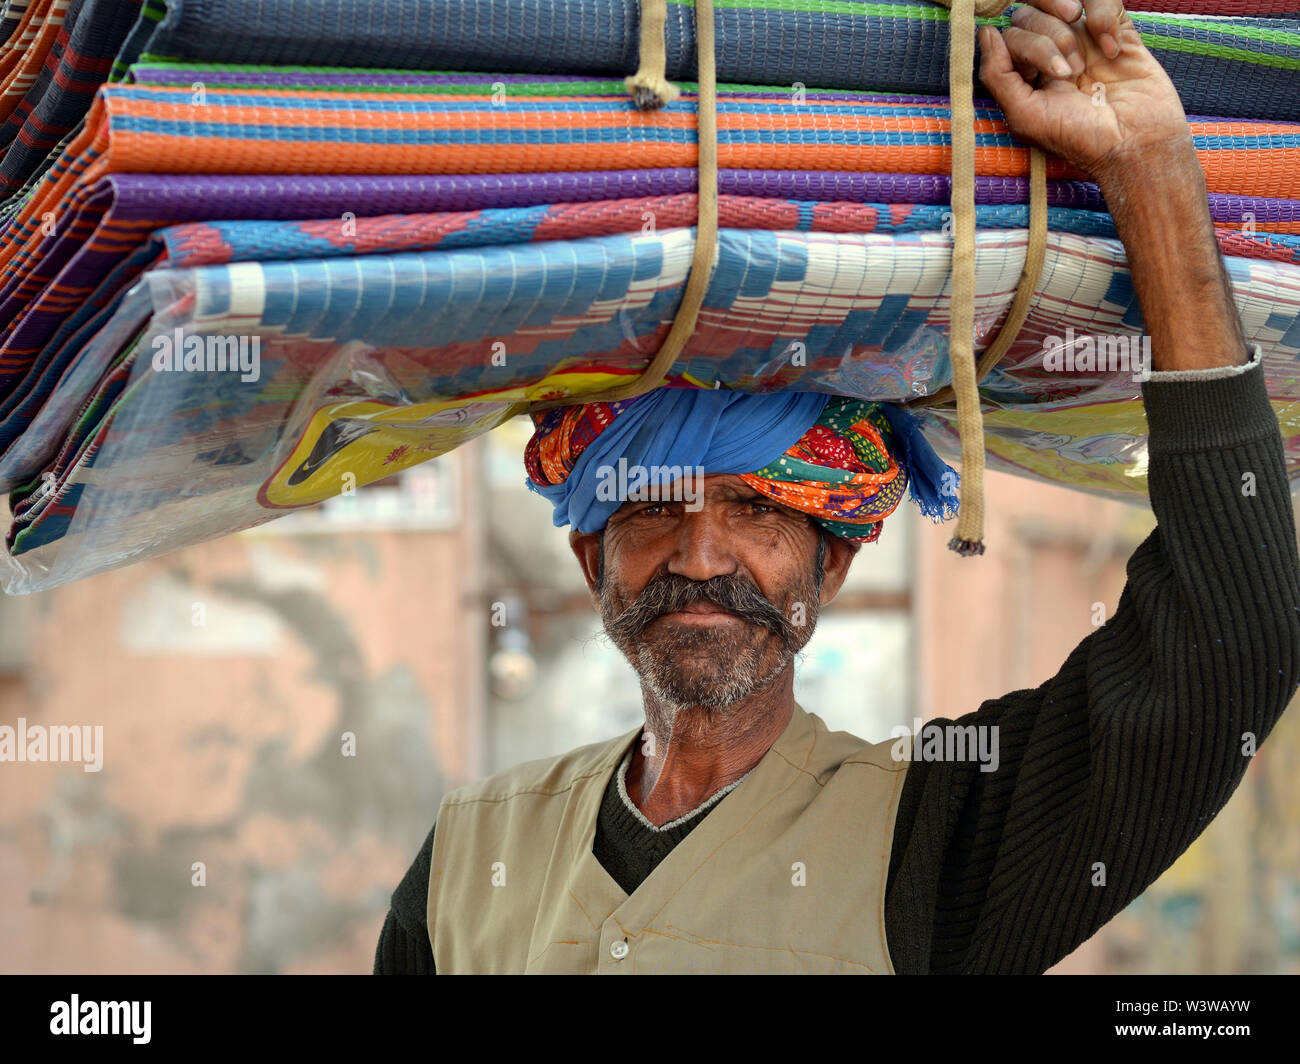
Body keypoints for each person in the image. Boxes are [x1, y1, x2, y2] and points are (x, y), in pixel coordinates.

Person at [375, 0, 1300, 973]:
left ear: (836, 559)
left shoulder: (937, 835)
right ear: (588, 556)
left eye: (758, 507)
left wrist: (1149, 171)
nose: (699, 553)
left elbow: (1228, 644)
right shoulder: (466, 857)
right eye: (650, 506)